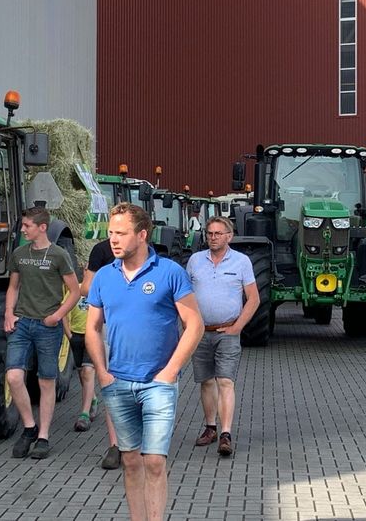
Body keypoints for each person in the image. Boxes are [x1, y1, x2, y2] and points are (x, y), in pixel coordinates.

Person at [85, 202, 204, 521]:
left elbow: (195, 325)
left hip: (158, 384)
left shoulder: (169, 273)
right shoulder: (103, 278)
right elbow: (92, 329)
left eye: (121, 233)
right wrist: (102, 372)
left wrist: (170, 371)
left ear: (142, 234)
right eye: (111, 233)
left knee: (154, 460)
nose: (113, 239)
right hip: (118, 383)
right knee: (131, 460)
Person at [4, 207, 81, 460]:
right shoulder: (19, 254)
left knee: (46, 381)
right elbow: (13, 287)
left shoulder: (58, 255)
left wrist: (58, 316)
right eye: (23, 225)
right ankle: (29, 427)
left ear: (42, 227)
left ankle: (43, 436)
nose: (23, 229)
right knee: (14, 376)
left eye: (27, 226)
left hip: (48, 326)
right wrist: (8, 313)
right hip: (23, 323)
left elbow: (74, 291)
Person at [186, 216, 260, 457]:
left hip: (227, 331)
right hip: (200, 331)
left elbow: (254, 299)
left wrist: (238, 327)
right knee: (206, 381)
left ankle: (226, 434)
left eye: (218, 233)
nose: (213, 237)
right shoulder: (196, 261)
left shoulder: (241, 262)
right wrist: (188, 324)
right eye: (210, 233)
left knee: (225, 381)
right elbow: (184, 294)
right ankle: (210, 427)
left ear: (229, 236)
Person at [66, 265, 121, 470]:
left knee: (90, 373)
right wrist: (70, 335)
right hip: (80, 336)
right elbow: (66, 310)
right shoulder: (81, 289)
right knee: (83, 374)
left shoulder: (105, 289)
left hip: (99, 335)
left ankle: (83, 413)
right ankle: (93, 401)